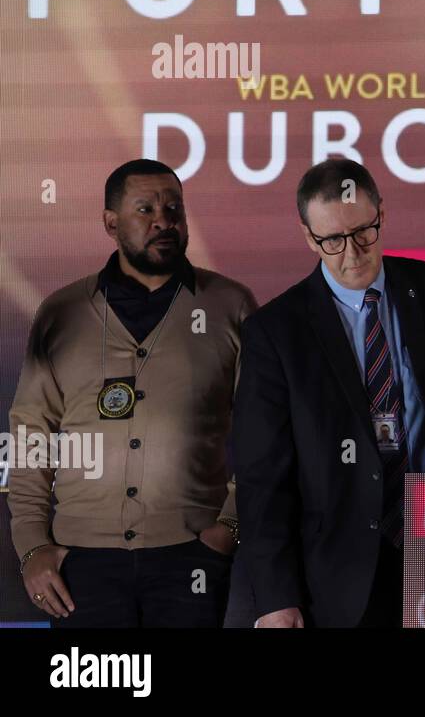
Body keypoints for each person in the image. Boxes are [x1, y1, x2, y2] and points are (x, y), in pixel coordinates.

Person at [232, 159, 425, 628]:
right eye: (332, 241)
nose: (353, 253)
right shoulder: (275, 331)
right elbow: (262, 481)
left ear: (382, 213)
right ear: (307, 237)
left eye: (364, 231)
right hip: (337, 572)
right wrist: (276, 597)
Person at [9, 158, 254, 626]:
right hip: (81, 564)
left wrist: (227, 530)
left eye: (173, 207)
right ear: (110, 222)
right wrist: (33, 547)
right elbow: (30, 435)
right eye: (145, 209)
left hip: (192, 557)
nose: (164, 220)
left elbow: (265, 434)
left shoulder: (230, 306)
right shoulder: (61, 313)